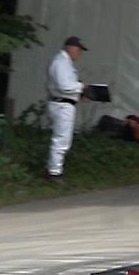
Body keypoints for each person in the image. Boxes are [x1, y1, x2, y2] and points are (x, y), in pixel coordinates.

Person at [45, 36, 87, 181]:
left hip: (63, 103)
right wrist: (81, 87)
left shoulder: (64, 62)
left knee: (62, 138)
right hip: (62, 105)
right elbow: (64, 86)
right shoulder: (61, 63)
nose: (79, 53)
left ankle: (55, 168)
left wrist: (79, 94)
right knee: (61, 138)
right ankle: (54, 171)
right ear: (71, 48)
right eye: (79, 50)